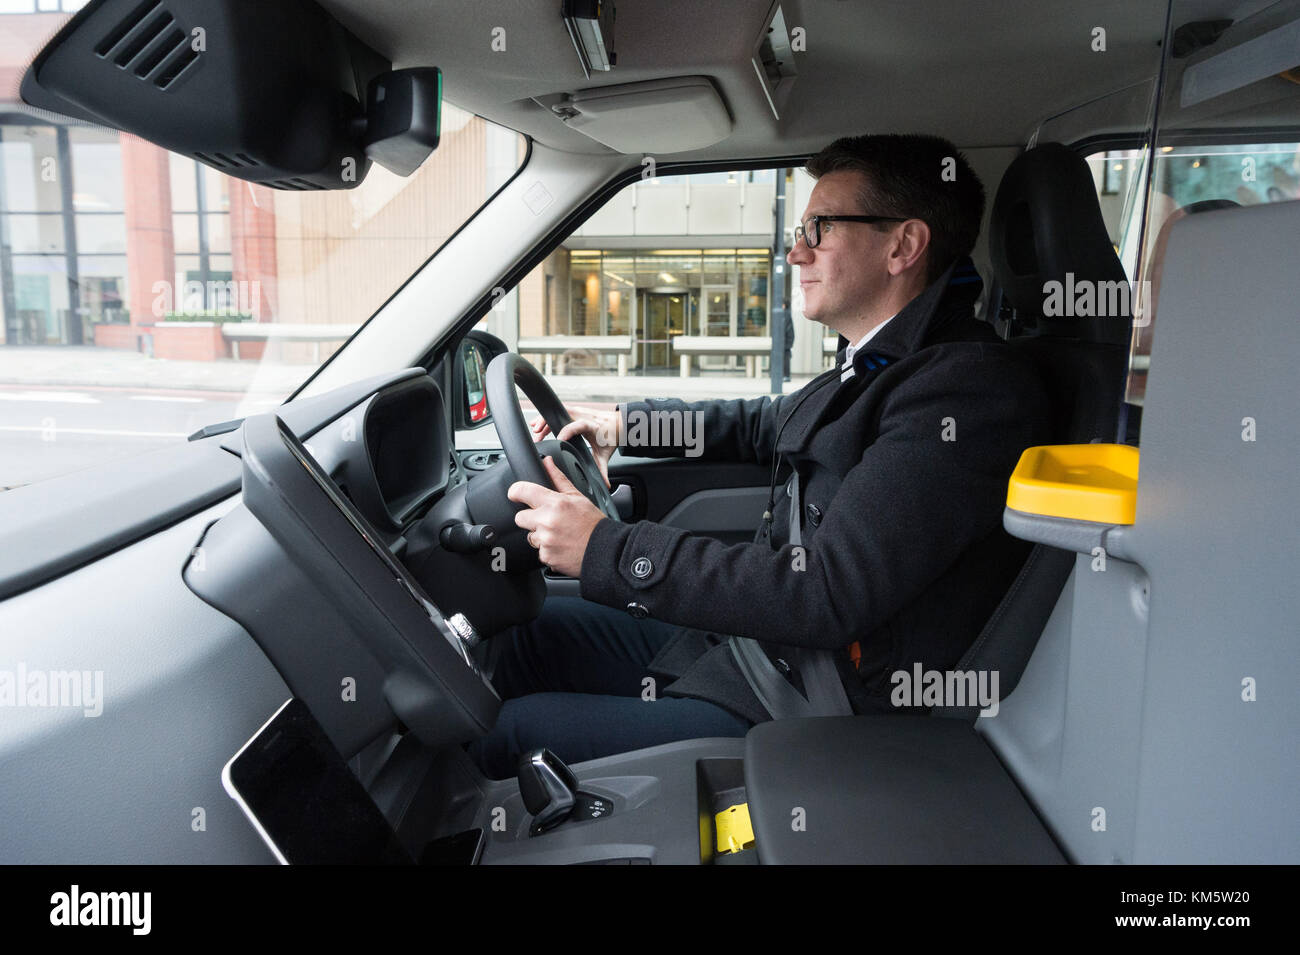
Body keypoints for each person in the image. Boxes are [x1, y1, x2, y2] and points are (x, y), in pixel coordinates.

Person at [467, 134, 1052, 780]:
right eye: (801, 227)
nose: (796, 249)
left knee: (515, 731)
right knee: (528, 633)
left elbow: (825, 591)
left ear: (903, 246)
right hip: (755, 652)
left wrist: (606, 547)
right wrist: (623, 424)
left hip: (808, 703)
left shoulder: (965, 393)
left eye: (820, 228)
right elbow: (760, 425)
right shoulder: (882, 361)